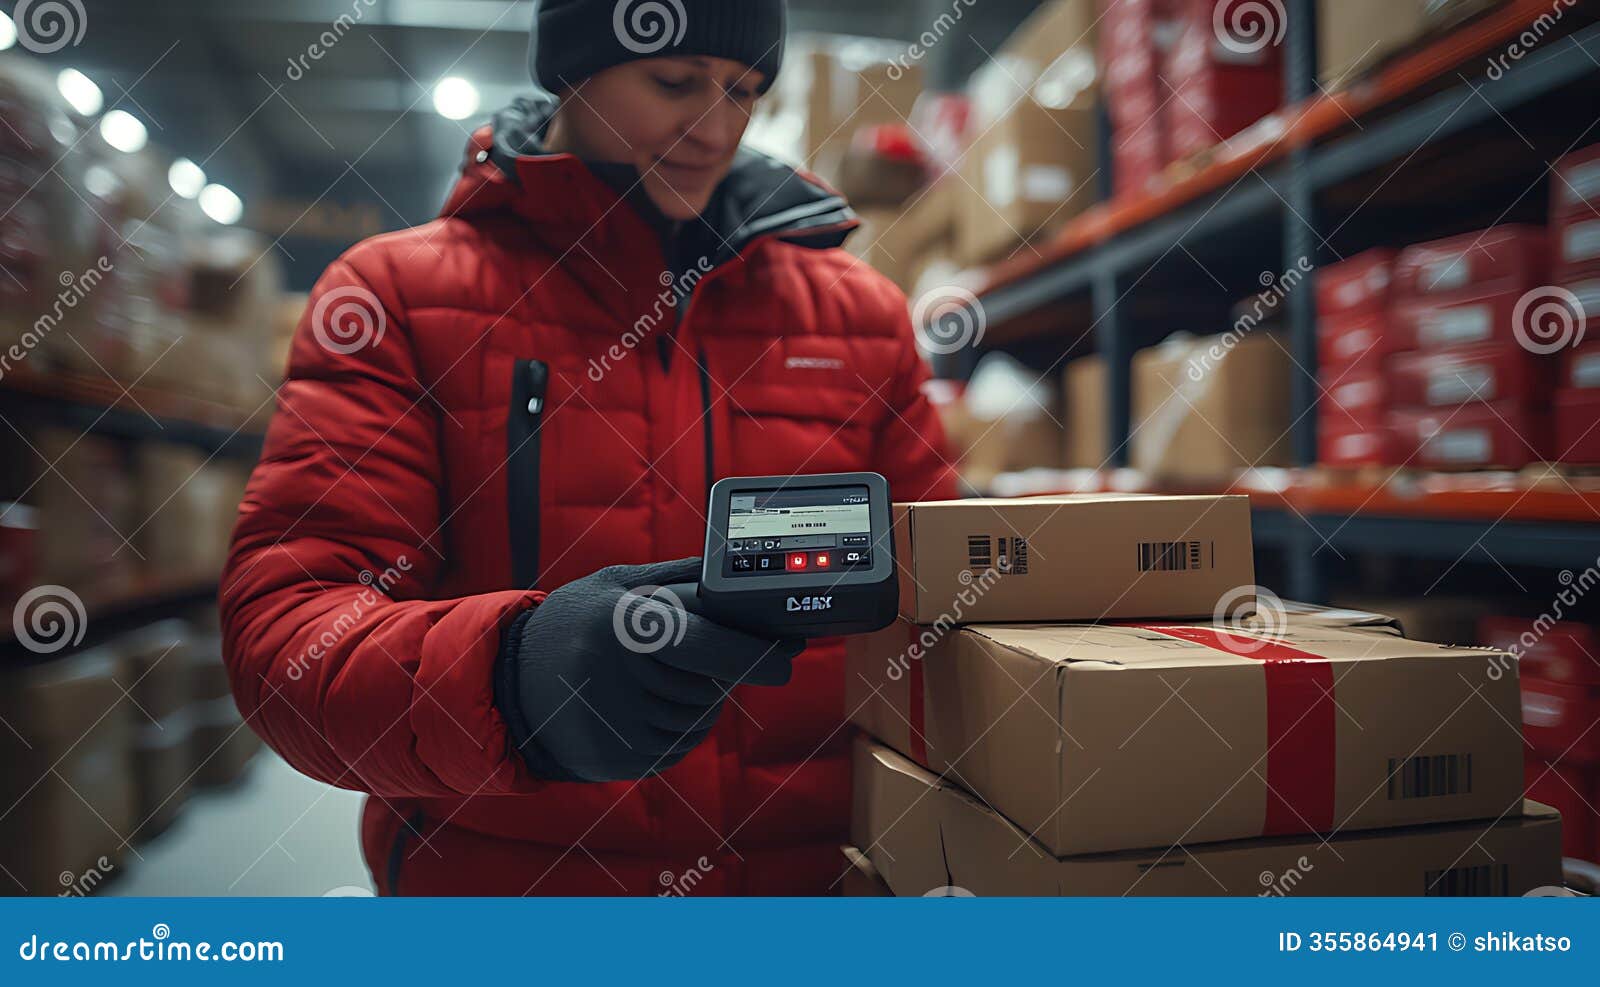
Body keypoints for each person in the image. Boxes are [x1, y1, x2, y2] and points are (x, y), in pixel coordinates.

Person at [220, 0, 957, 896]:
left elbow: (944, 594)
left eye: (744, 92)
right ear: (571, 69)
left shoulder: (857, 316)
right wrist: (512, 679)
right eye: (674, 82)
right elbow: (288, 637)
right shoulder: (395, 298)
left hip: (810, 890)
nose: (714, 128)